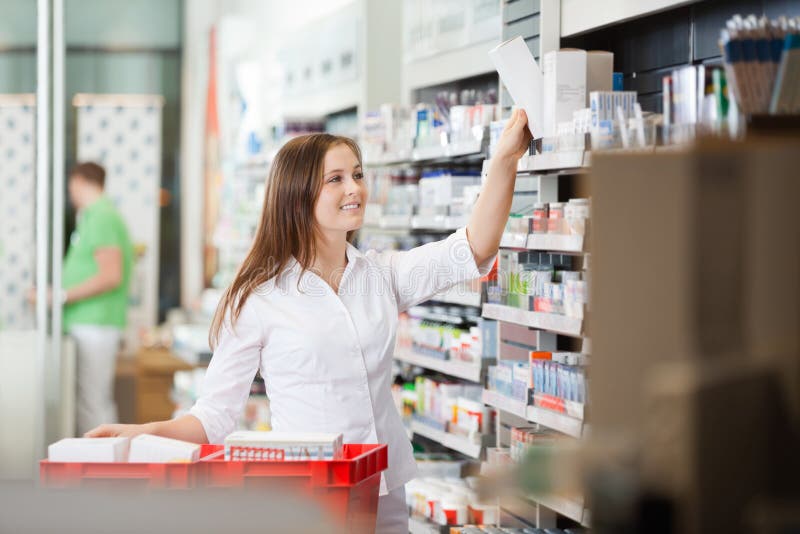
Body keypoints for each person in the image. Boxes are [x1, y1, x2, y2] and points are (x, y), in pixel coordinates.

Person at [87, 110, 532, 532]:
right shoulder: (259, 299)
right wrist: (143, 431)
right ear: (298, 195)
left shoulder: (380, 274)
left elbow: (474, 247)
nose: (354, 188)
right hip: (309, 493)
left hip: (385, 485)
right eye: (335, 179)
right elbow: (213, 416)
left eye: (357, 174)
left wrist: (506, 156)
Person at [58, 162, 134, 436]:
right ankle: (96, 466)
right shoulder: (93, 217)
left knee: (93, 402)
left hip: (96, 324)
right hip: (89, 323)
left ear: (78, 181)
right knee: (89, 400)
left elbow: (110, 275)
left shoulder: (102, 216)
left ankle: (103, 471)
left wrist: (61, 295)